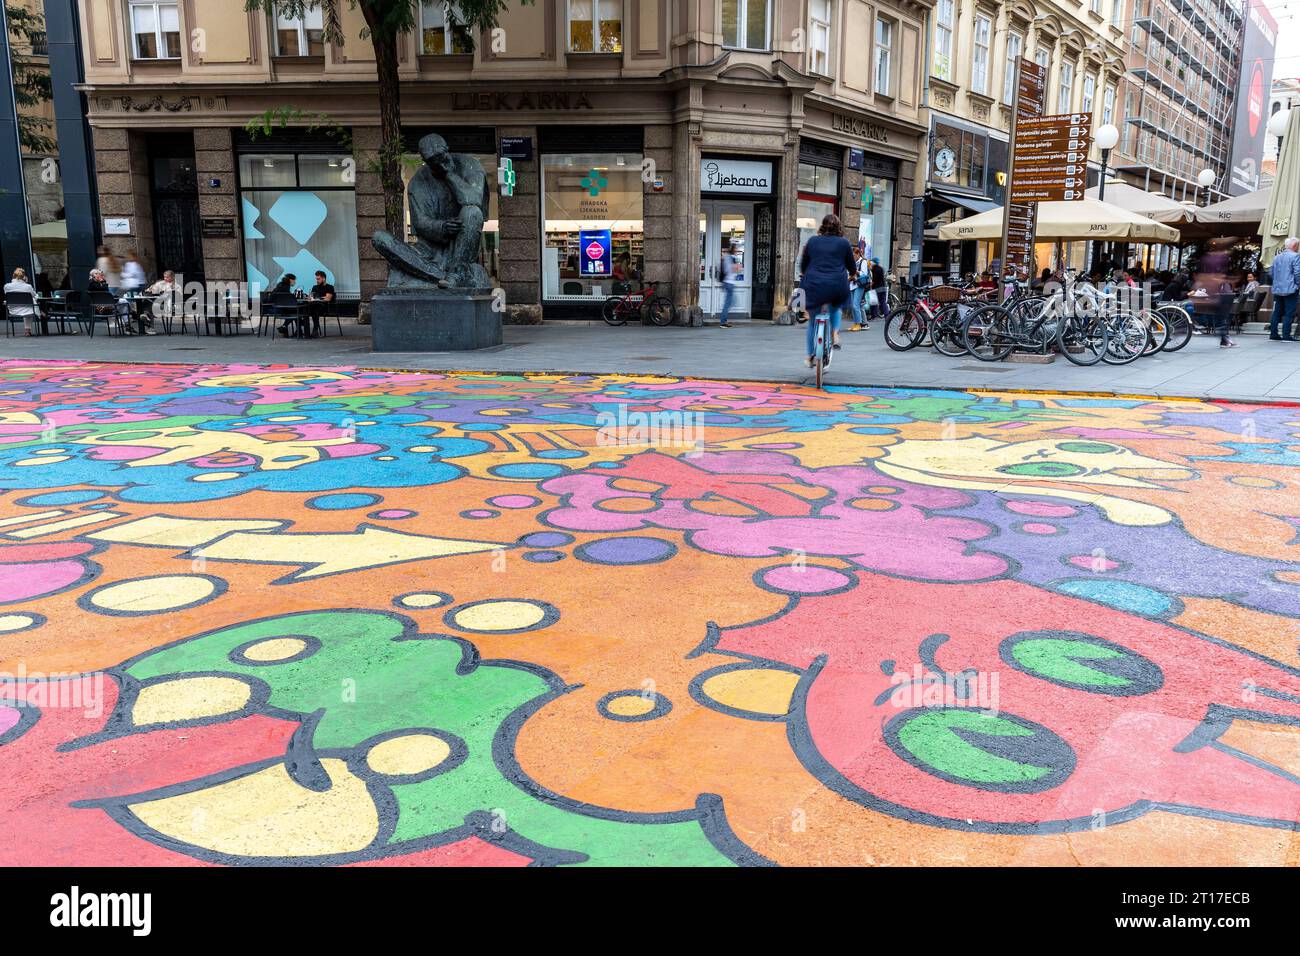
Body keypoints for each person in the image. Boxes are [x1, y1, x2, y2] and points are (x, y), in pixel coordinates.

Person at [797, 214, 855, 368]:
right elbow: (852, 266)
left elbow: (803, 265)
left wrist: (804, 272)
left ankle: (809, 356)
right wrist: (853, 274)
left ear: (822, 226)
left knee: (812, 323)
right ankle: (835, 333)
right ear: (839, 227)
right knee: (835, 307)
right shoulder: (844, 243)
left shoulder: (812, 241)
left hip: (814, 285)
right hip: (836, 284)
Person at [1268, 237, 1300, 342]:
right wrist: (1298, 285)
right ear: (1295, 246)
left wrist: (1277, 282)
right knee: (1289, 313)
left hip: (1278, 289)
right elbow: (1297, 273)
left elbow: (1270, 272)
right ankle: (1286, 336)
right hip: (1290, 289)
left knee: (1276, 312)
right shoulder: (1296, 256)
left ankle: (1273, 334)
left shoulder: (1277, 257)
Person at [4, 267, 39, 336]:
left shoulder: (6, 286)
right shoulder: (28, 286)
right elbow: (34, 295)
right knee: (29, 308)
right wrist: (25, 283)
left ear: (13, 276)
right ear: (24, 276)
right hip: (27, 309)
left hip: (13, 309)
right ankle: (27, 331)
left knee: (28, 307)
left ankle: (27, 331)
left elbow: (8, 295)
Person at [846, 240, 869, 332]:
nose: (853, 257)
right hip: (852, 284)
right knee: (853, 305)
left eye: (854, 256)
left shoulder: (863, 261)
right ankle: (855, 323)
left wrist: (856, 272)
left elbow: (864, 273)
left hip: (859, 285)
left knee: (856, 305)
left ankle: (859, 324)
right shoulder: (852, 262)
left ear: (858, 254)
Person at [305, 270, 336, 338]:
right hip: (314, 305)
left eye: (318, 279)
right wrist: (310, 298)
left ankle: (315, 330)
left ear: (324, 278)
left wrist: (317, 298)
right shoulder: (315, 287)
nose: (317, 280)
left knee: (315, 309)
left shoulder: (329, 287)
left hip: (324, 307)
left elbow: (328, 298)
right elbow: (311, 297)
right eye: (316, 279)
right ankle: (302, 331)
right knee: (304, 309)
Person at [717, 240, 739, 329]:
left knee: (731, 301)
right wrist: (738, 267)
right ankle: (723, 322)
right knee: (729, 302)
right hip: (729, 282)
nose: (737, 250)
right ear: (733, 249)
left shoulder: (726, 257)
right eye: (736, 249)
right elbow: (734, 270)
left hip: (727, 282)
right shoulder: (731, 258)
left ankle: (724, 321)